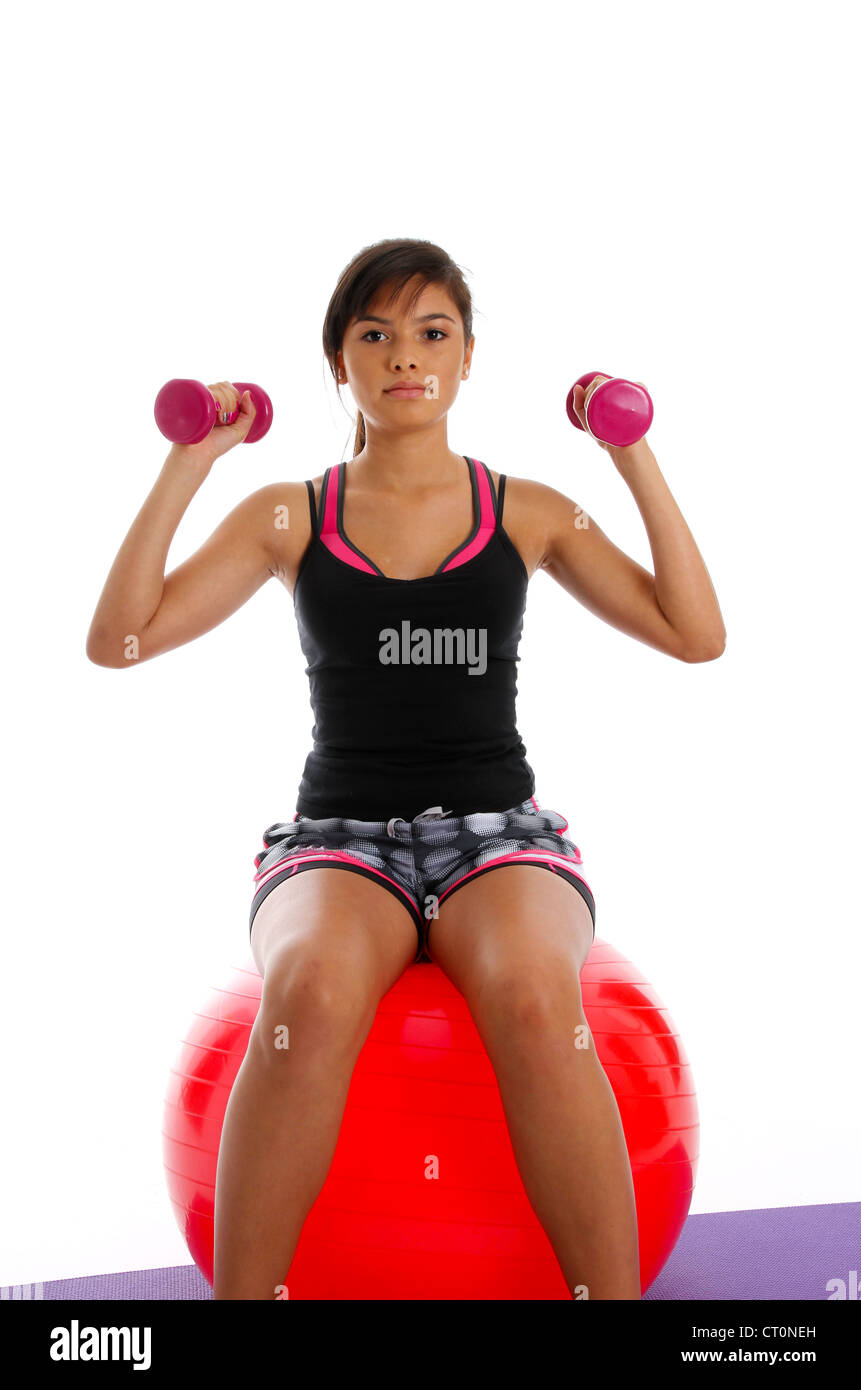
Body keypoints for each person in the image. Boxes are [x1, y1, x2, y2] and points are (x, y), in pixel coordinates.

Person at [86, 238, 726, 1301]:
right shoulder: (290, 513)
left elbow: (692, 633)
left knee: (532, 996)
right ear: (337, 361)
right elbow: (121, 640)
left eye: (431, 332)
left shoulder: (526, 511)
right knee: (310, 987)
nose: (403, 356)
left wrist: (630, 452)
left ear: (468, 356)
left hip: (497, 835)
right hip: (341, 840)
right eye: (372, 335)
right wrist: (189, 463)